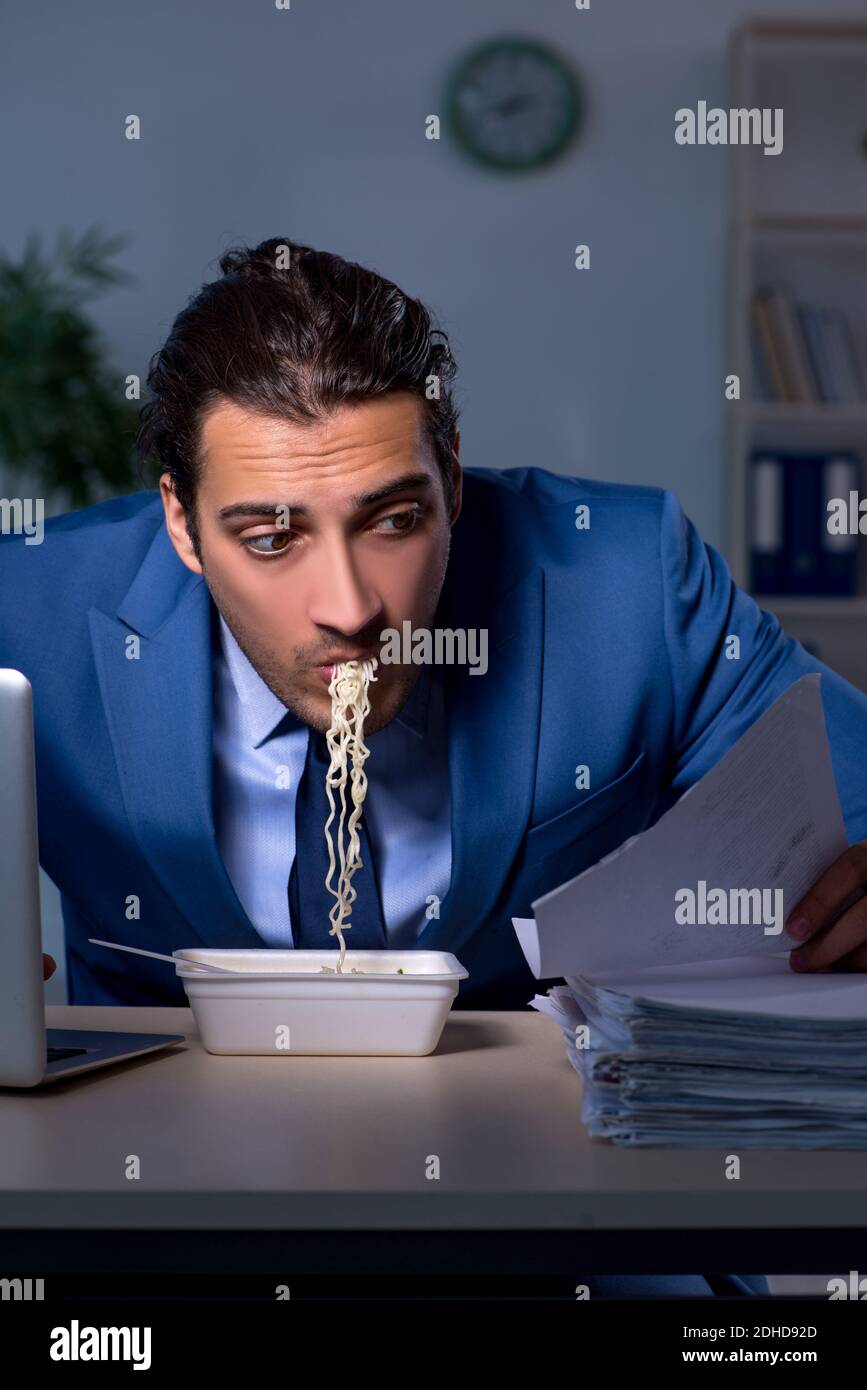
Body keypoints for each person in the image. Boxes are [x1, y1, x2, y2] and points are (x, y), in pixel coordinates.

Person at [5, 238, 867, 1298]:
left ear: (452, 478)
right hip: (161, 1226)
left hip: (565, 1228)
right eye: (270, 537)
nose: (352, 607)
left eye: (393, 519)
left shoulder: (627, 576)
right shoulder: (33, 613)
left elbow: (848, 787)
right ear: (182, 522)